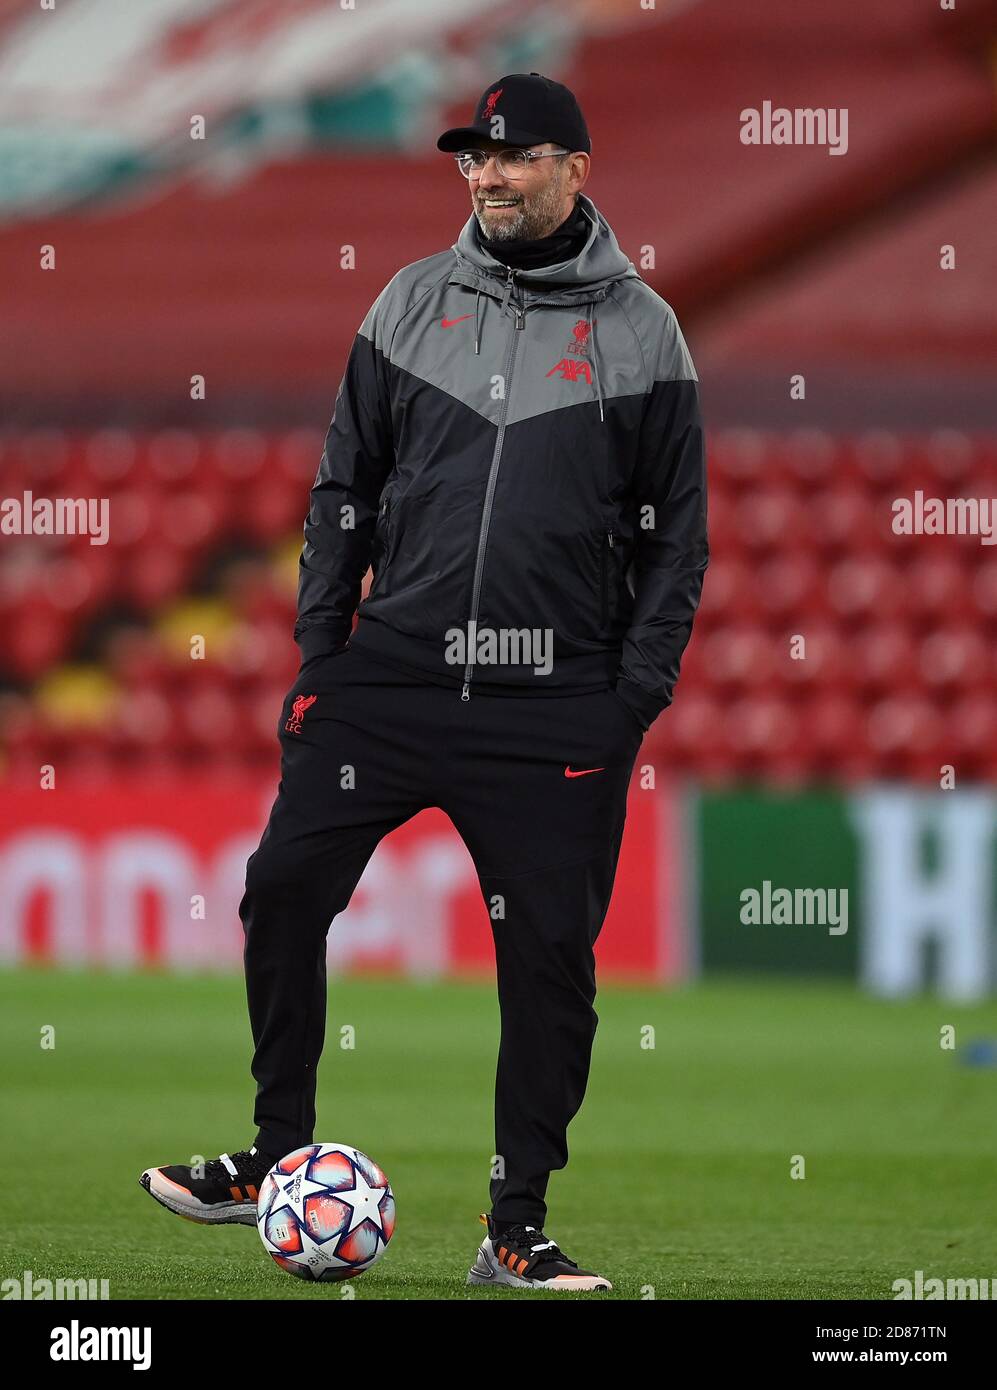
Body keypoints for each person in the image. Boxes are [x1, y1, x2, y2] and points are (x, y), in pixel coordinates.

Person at [140, 72, 708, 1292]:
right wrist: (320, 659)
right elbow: (341, 489)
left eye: (512, 158)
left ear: (576, 169)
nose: (488, 177)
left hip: (558, 698)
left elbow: (676, 540)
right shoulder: (408, 300)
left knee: (549, 958)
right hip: (389, 677)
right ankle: (276, 1157)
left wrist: (630, 699)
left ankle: (516, 1223)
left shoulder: (645, 330)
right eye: (472, 160)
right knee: (283, 889)